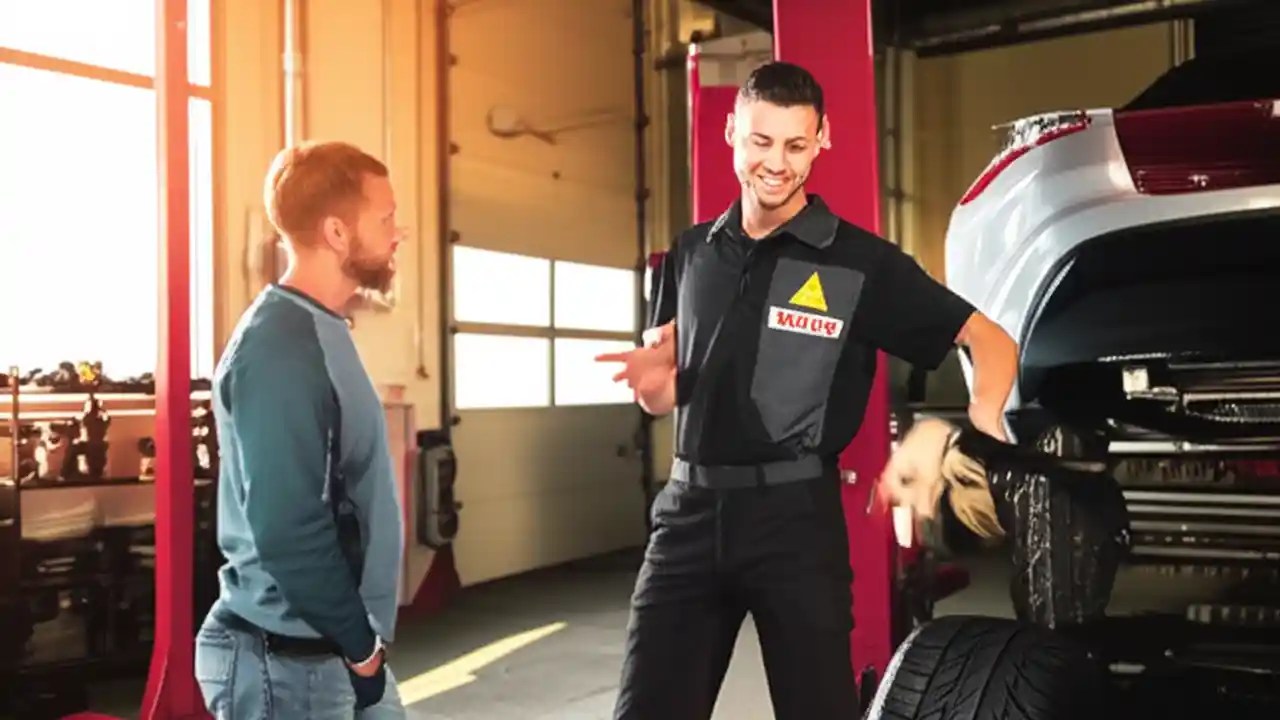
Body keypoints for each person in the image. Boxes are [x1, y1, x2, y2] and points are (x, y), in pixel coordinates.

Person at [598, 62, 1018, 719]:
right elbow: (664, 397)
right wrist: (655, 387)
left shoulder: (860, 262)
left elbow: (990, 341)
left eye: (796, 145)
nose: (776, 163)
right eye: (761, 142)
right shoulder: (691, 254)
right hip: (685, 518)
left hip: (794, 525)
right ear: (732, 132)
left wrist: (983, 426)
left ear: (822, 139)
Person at [195, 140, 407, 718]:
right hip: (287, 664)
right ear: (337, 233)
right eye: (385, 218)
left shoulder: (320, 329)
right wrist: (361, 649)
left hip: (332, 648)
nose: (398, 233)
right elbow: (289, 526)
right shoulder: (280, 349)